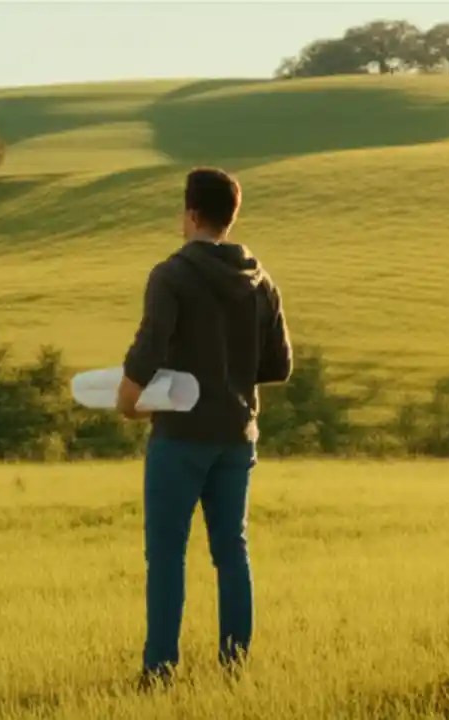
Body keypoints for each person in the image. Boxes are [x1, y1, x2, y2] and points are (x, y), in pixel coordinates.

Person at [115, 167, 293, 686]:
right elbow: (278, 366)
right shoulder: (261, 280)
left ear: (191, 214)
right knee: (231, 550)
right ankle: (234, 667)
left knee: (167, 554)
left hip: (179, 436)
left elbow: (149, 349)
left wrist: (129, 401)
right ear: (230, 217)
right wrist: (230, 373)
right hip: (238, 435)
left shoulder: (171, 274)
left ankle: (160, 671)